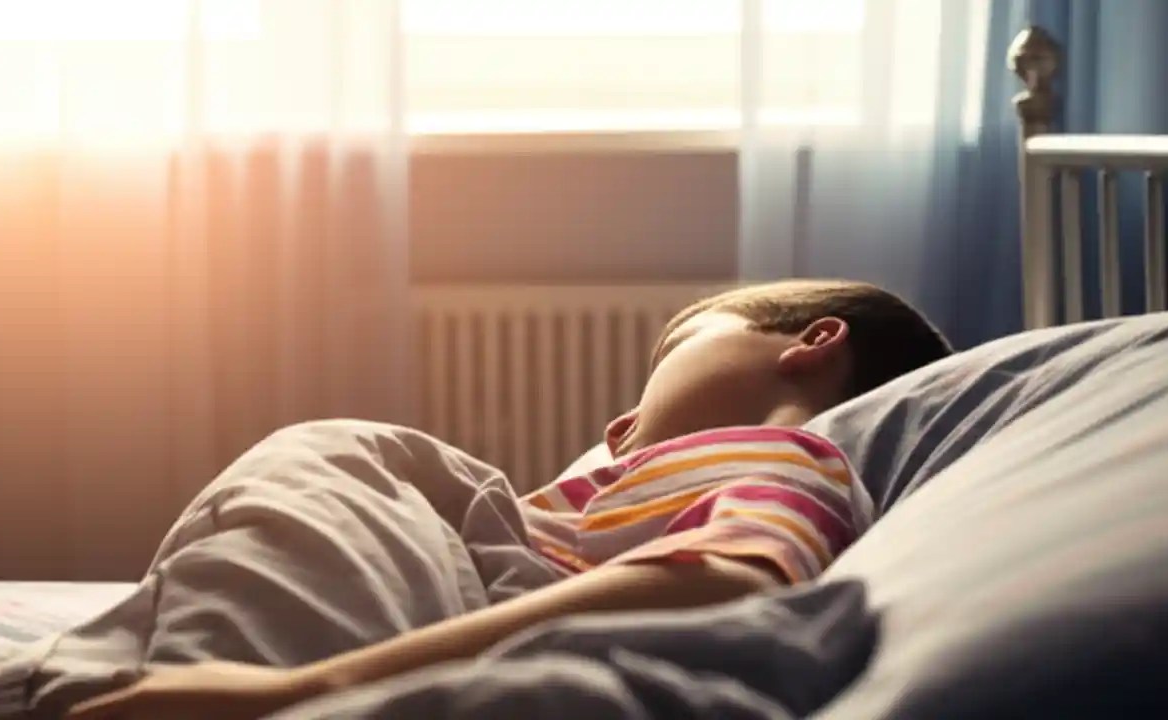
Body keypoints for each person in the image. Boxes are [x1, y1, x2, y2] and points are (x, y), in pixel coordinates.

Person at [61, 279, 951, 719]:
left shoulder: (787, 459)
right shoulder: (680, 470)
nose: (619, 422)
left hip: (385, 652)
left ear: (810, 343)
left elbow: (729, 583)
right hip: (448, 609)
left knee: (352, 453)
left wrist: (304, 688)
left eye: (668, 356)